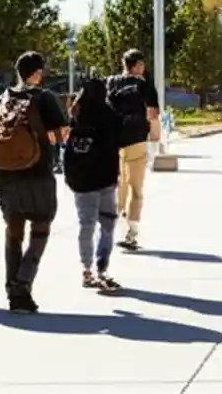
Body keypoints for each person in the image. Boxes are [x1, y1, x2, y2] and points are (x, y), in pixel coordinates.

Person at [0, 51, 68, 313]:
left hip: (6, 177)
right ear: (38, 73)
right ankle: (23, 282)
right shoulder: (44, 98)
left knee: (13, 232)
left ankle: (13, 289)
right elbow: (60, 136)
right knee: (41, 228)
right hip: (37, 174)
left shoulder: (0, 100)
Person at [63, 77, 123, 293]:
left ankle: (86, 270)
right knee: (107, 225)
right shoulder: (109, 115)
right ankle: (102, 267)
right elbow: (123, 137)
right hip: (105, 179)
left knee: (86, 225)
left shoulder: (76, 116)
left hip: (83, 183)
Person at [106, 49, 160, 252]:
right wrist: (156, 142)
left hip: (114, 142)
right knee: (136, 188)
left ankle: (114, 224)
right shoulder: (145, 86)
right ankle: (131, 232)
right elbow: (153, 115)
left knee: (119, 185)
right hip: (136, 139)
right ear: (137, 66)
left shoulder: (111, 83)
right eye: (142, 65)